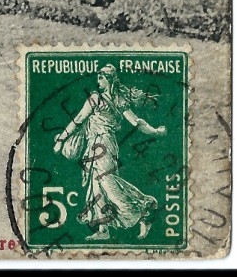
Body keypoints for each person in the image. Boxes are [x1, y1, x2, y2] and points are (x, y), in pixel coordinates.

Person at [54, 65, 166, 241]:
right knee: (96, 186)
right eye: (98, 77)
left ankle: (143, 211)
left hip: (104, 145)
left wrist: (155, 132)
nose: (98, 81)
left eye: (101, 77)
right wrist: (61, 139)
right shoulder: (101, 98)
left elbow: (136, 122)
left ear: (110, 79)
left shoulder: (107, 99)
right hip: (95, 144)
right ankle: (103, 228)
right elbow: (79, 120)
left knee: (107, 182)